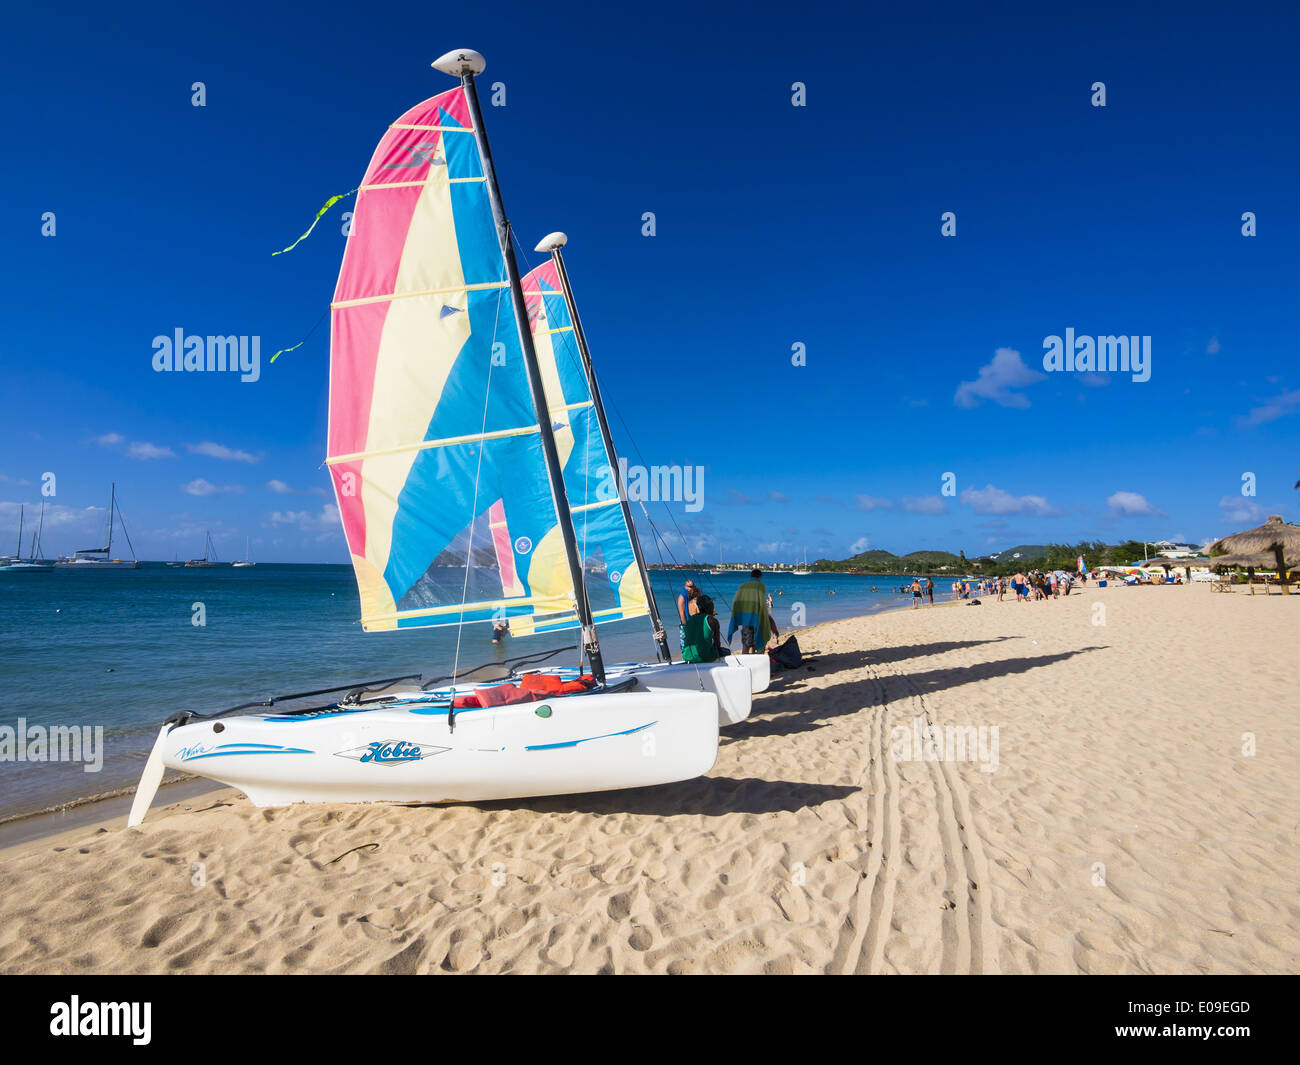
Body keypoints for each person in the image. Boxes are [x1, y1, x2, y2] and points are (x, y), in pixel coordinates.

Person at [729, 568, 778, 653]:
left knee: (746, 643)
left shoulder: (742, 586)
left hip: (746, 617)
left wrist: (738, 614)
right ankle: (775, 637)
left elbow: (737, 601)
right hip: (757, 617)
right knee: (757, 638)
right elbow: (761, 603)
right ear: (760, 577)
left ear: (751, 576)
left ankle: (745, 662)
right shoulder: (761, 586)